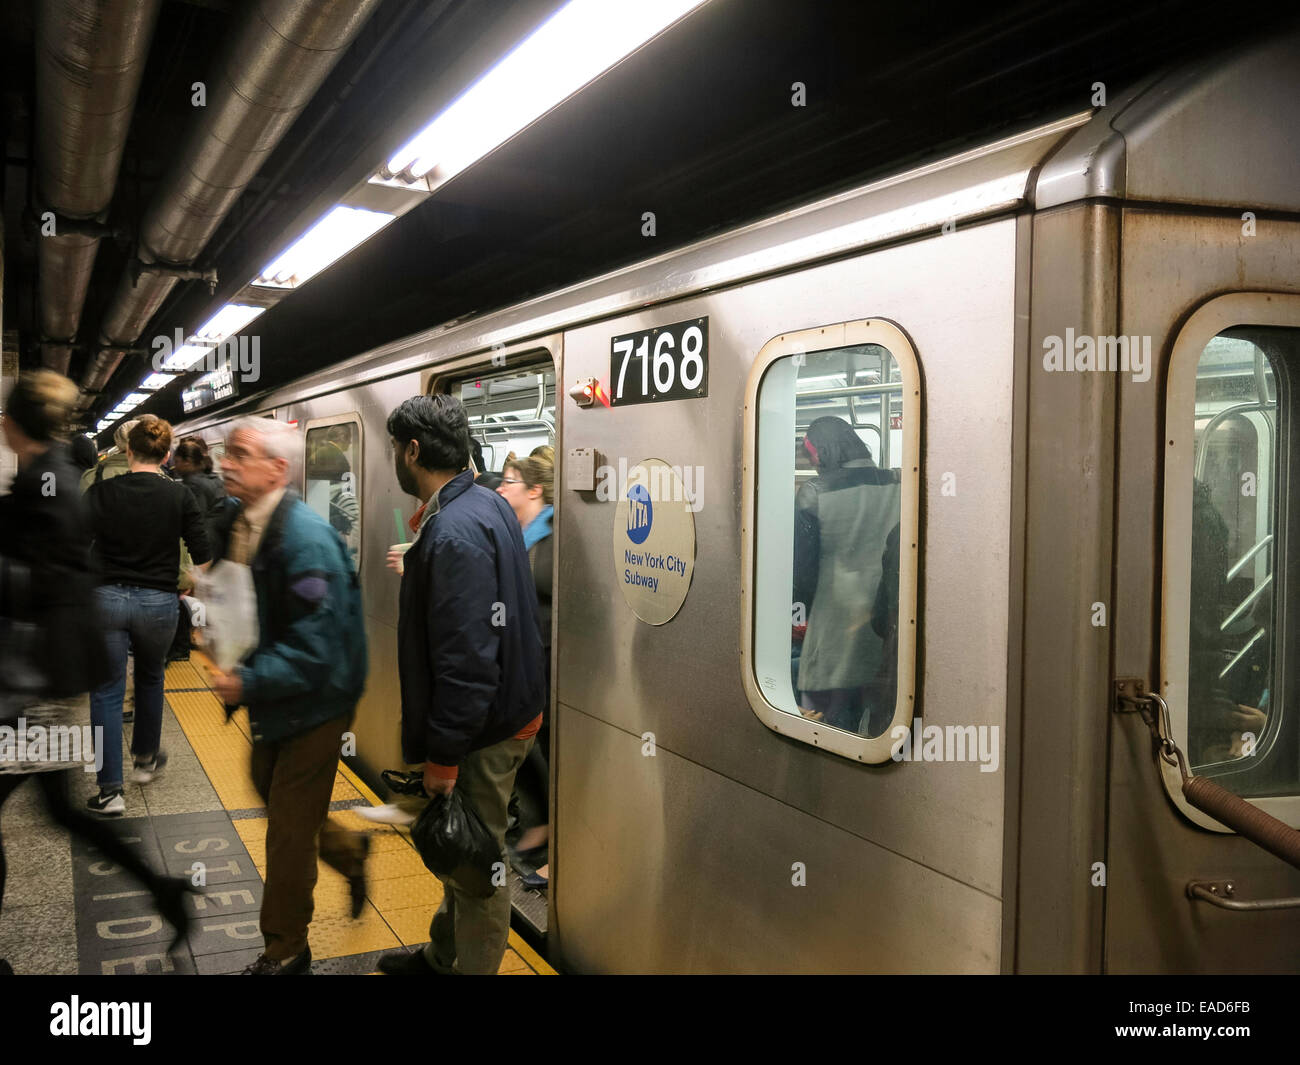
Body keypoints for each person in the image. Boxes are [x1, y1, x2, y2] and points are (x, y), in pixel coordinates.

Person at [0, 371, 190, 971]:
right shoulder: (55, 472)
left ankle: (158, 880)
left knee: (57, 805)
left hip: (33, 683)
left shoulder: (50, 477)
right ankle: (163, 889)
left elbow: (56, 563)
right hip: (55, 671)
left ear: (11, 424)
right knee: (59, 809)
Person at [377, 395, 545, 976]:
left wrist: (444, 755)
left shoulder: (453, 531)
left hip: (482, 728)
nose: (394, 457)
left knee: (480, 866)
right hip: (503, 711)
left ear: (414, 450)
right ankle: (438, 956)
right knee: (462, 842)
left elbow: (467, 661)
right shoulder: (482, 502)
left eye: (396, 448)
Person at [206, 417, 369, 975]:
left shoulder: (305, 540)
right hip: (280, 694)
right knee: (271, 792)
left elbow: (316, 644)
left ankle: (286, 951)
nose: (227, 463)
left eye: (240, 454)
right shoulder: (241, 520)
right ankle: (351, 854)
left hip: (318, 700)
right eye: (227, 453)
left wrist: (247, 679)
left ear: (277, 469)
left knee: (288, 835)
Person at [85, 417, 212, 813]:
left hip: (106, 597)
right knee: (151, 678)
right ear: (167, 454)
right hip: (158, 602)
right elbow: (204, 554)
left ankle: (110, 792)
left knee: (106, 689)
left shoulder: (103, 491)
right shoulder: (179, 496)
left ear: (128, 451)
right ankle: (144, 761)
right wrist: (188, 580)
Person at [793, 417, 900, 735]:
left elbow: (802, 574)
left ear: (821, 452)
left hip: (833, 638)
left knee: (829, 733)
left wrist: (797, 616)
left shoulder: (813, 493)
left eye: (811, 456)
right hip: (884, 635)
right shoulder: (897, 482)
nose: (812, 464)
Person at [497, 454, 554, 890]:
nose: (500, 488)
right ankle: (540, 827)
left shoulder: (551, 541)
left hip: (551, 666)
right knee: (528, 749)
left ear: (534, 490)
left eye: (509, 481)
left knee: (547, 753)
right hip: (524, 663)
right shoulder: (517, 535)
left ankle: (553, 840)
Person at [170, 437, 229, 660]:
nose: (175, 465)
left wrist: (191, 563)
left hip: (202, 549)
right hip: (218, 547)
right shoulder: (216, 480)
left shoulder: (191, 486)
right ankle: (205, 634)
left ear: (187, 460)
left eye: (178, 460)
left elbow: (192, 523)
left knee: (186, 595)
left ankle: (186, 642)